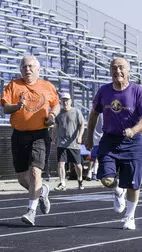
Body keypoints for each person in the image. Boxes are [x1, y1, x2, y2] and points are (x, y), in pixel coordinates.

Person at [0, 55, 60, 226]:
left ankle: (31, 211)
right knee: (22, 178)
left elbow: (56, 104)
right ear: (20, 69)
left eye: (31, 66)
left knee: (35, 172)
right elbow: (5, 109)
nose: (27, 69)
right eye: (24, 66)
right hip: (19, 134)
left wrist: (52, 115)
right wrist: (16, 107)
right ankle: (42, 192)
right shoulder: (14, 85)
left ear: (38, 69)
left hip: (40, 134)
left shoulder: (47, 86)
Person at [86, 57, 142, 230]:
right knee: (107, 179)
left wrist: (133, 130)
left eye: (121, 68)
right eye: (113, 68)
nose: (117, 71)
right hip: (109, 140)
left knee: (133, 183)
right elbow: (94, 114)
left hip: (133, 142)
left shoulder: (138, 91)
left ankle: (129, 217)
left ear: (128, 70)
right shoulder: (103, 91)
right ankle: (118, 189)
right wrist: (88, 137)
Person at [52, 92, 85, 190]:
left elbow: (82, 124)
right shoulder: (58, 113)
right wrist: (53, 139)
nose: (65, 102)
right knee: (60, 163)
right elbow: (55, 126)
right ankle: (62, 182)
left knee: (77, 165)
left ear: (70, 101)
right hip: (61, 143)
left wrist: (80, 137)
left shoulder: (76, 112)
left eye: (67, 100)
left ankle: (80, 179)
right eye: (63, 100)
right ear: (61, 101)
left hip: (73, 143)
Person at [86, 113, 103, 181]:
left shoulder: (96, 113)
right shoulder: (99, 113)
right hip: (99, 138)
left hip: (97, 138)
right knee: (94, 157)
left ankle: (94, 174)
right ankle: (91, 173)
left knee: (95, 157)